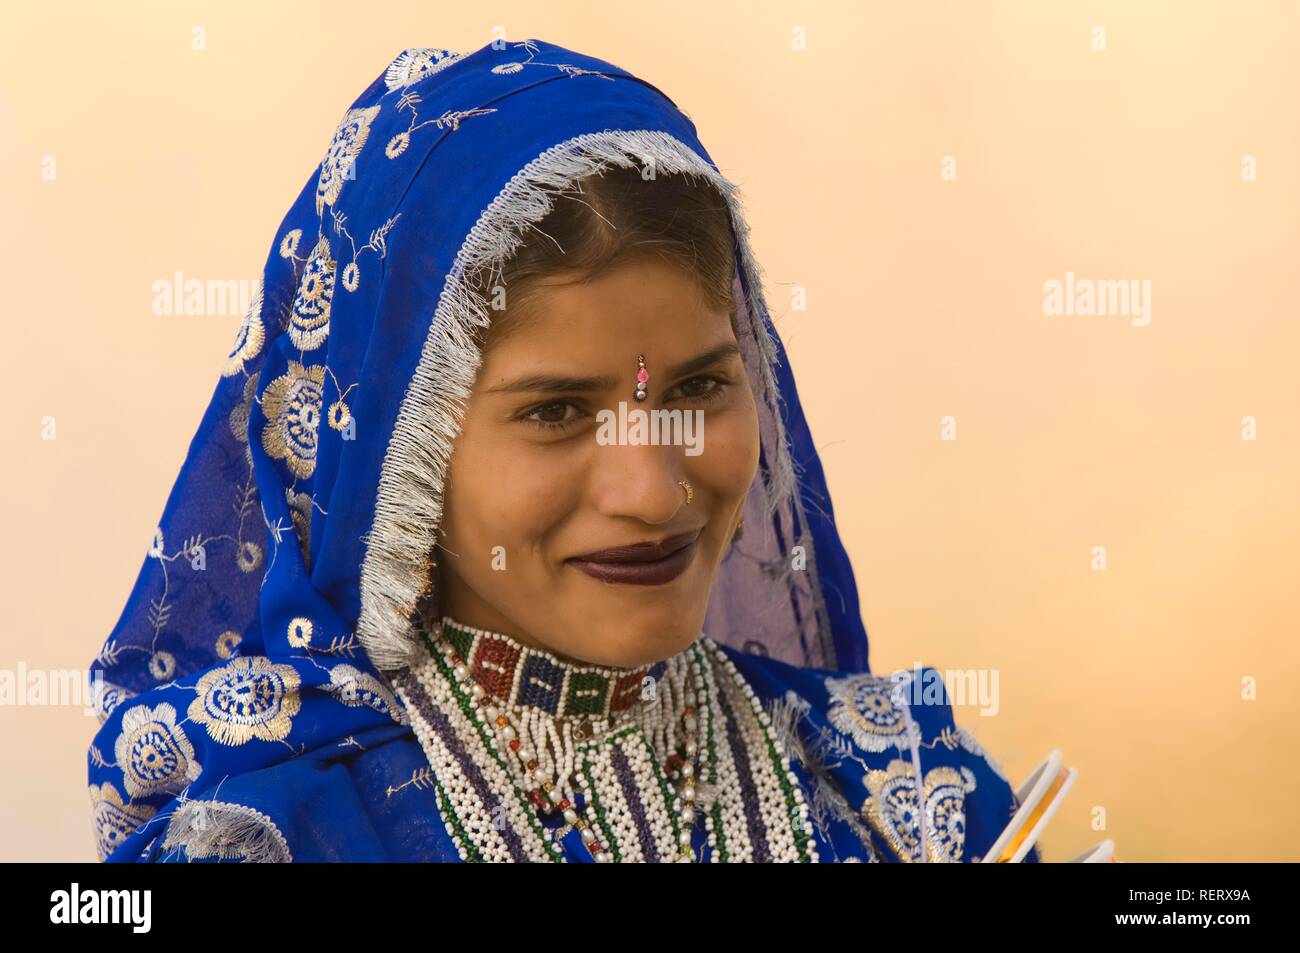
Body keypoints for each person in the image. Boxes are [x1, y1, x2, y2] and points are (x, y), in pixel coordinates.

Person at [86, 39, 1040, 863]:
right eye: (554, 412)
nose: (653, 490)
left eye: (700, 388)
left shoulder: (912, 792)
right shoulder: (285, 832)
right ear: (393, 455)